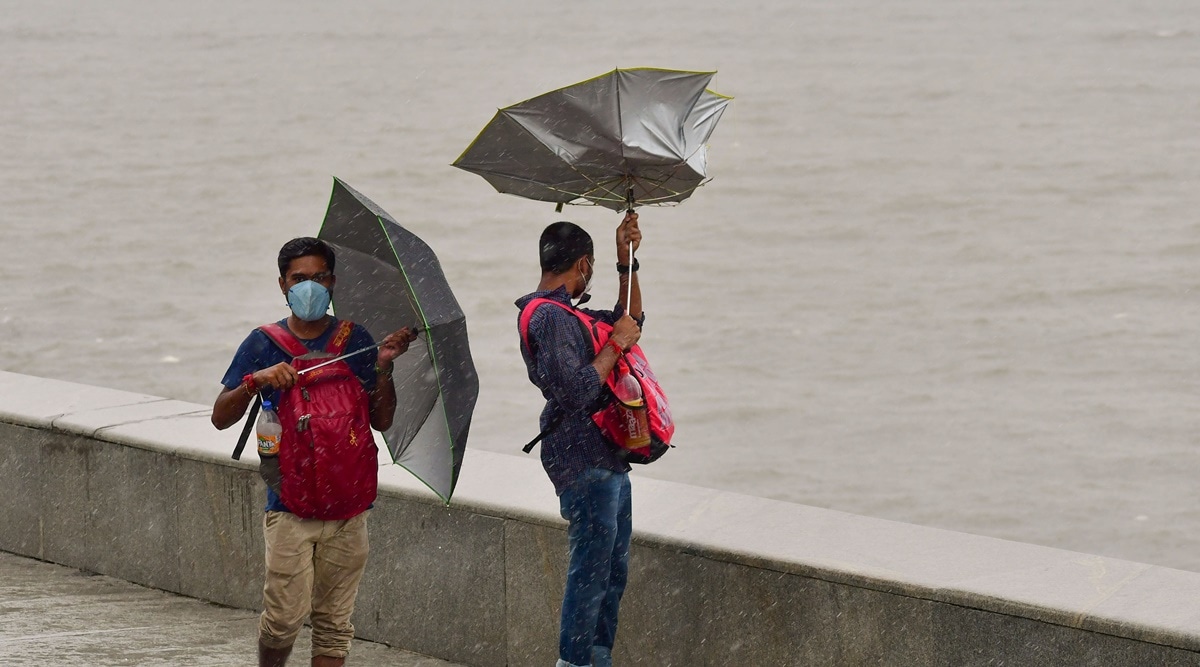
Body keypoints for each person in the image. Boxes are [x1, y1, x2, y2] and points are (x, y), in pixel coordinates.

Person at [211, 237, 417, 667]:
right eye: (299, 279)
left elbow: (381, 419)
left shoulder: (355, 339)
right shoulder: (262, 342)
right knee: (283, 619)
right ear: (283, 285)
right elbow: (220, 417)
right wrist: (257, 379)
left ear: (333, 282)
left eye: (319, 277)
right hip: (288, 505)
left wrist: (383, 365)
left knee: (335, 625)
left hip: (349, 506)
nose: (310, 286)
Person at [515, 213, 645, 667]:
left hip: (605, 455)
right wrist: (616, 346)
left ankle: (597, 658)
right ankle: (574, 662)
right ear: (582, 264)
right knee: (591, 570)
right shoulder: (548, 318)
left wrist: (626, 262)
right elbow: (575, 391)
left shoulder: (570, 313)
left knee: (611, 569)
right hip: (581, 457)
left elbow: (631, 320)